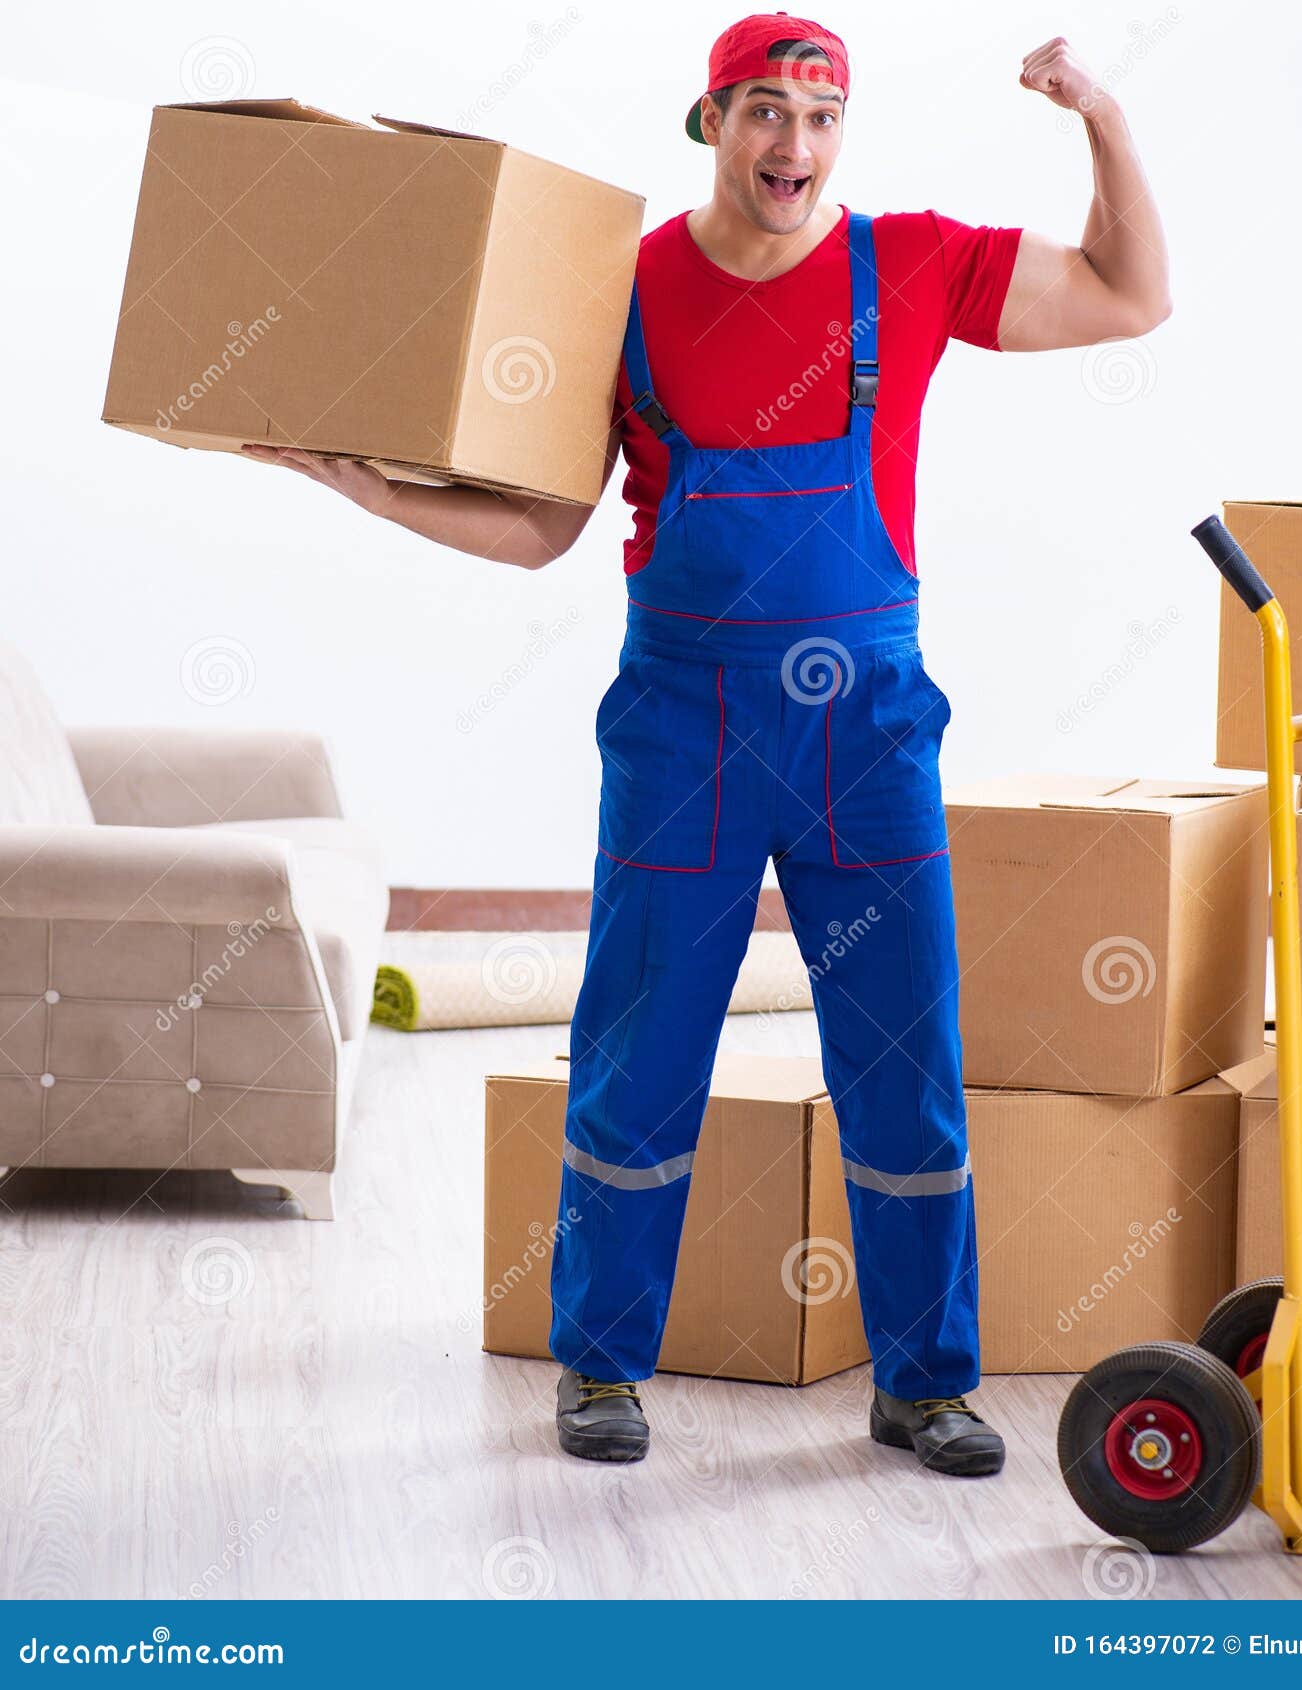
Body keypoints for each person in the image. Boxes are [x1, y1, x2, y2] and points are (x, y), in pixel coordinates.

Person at [245, 15, 1169, 1478]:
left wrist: (1096, 116)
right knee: (639, 1038)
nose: (789, 145)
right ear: (709, 122)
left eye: (816, 115)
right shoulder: (621, 285)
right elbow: (547, 526)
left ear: (839, 133)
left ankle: (926, 1379)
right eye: (759, 112)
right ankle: (601, 1360)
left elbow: (1129, 295)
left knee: (901, 1046)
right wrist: (368, 492)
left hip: (865, 726)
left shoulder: (913, 263)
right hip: (684, 722)